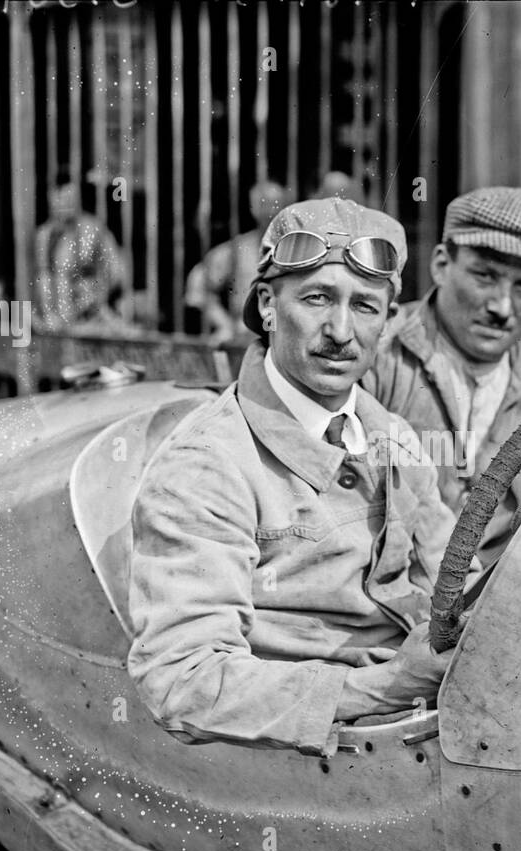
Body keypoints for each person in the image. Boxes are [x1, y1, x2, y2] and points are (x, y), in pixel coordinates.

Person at [129, 197, 459, 757]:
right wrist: (381, 687)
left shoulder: (392, 435)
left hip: (419, 735)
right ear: (267, 305)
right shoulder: (206, 464)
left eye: (365, 306)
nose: (340, 331)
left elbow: (449, 572)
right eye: (317, 298)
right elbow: (181, 680)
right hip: (299, 764)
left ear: (388, 320)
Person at [361, 186, 521, 567]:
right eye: (485, 276)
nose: (502, 307)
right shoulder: (374, 355)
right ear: (441, 265)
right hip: (388, 609)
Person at [184, 179, 289, 346]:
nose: (271, 210)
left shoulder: (298, 248)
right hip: (246, 340)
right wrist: (224, 324)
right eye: (265, 204)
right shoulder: (239, 248)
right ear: (253, 208)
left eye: (277, 204)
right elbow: (198, 286)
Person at [33, 167, 125, 329]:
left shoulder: (93, 229)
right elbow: (40, 276)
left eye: (70, 197)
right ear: (50, 197)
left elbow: (116, 272)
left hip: (89, 317)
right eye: (59, 196)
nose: (64, 202)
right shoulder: (43, 235)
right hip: (52, 320)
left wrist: (93, 298)